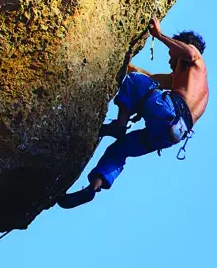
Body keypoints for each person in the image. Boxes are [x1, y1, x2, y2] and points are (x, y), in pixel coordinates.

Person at [57, 17, 209, 209]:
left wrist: (159, 35)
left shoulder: (195, 60)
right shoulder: (187, 81)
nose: (169, 58)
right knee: (120, 149)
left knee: (133, 81)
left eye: (171, 53)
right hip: (171, 134)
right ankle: (92, 188)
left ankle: (119, 126)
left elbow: (187, 53)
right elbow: (149, 79)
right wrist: (125, 62)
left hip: (171, 112)